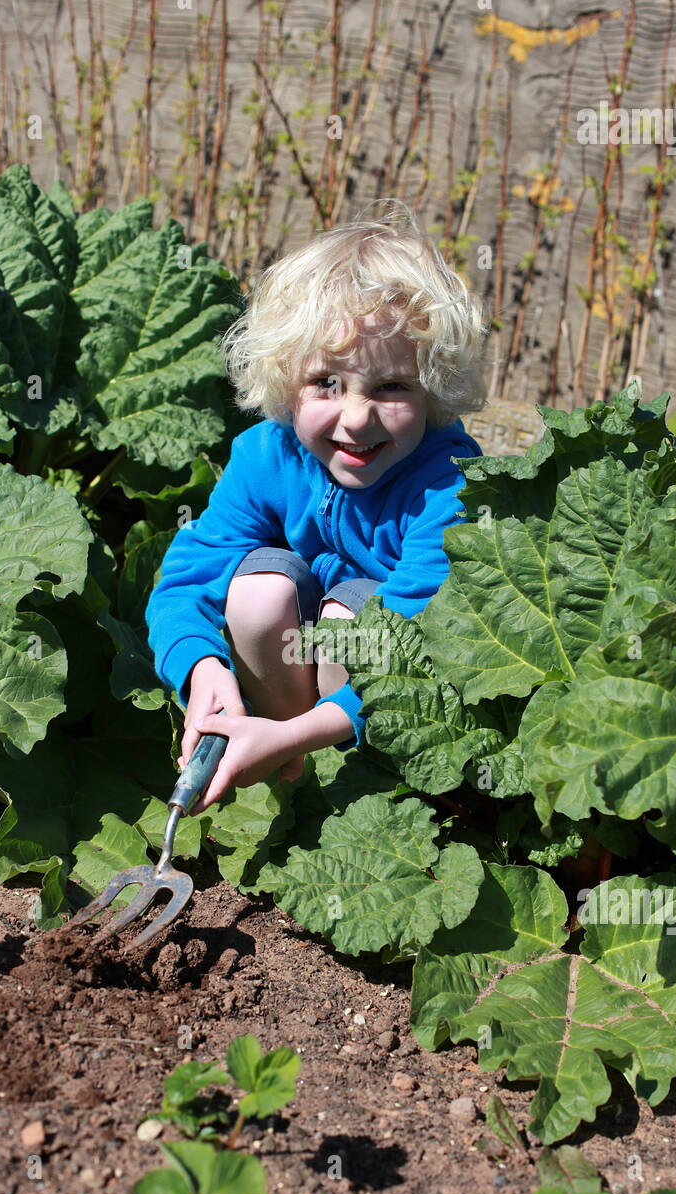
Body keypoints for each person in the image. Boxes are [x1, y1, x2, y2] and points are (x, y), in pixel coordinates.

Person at [145, 199, 487, 815]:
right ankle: (285, 776)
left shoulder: (448, 485)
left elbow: (421, 644)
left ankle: (359, 791)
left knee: (349, 623)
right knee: (256, 592)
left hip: (399, 709)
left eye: (390, 387)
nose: (356, 418)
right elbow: (184, 584)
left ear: (433, 386)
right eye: (326, 383)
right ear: (284, 380)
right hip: (287, 691)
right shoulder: (266, 456)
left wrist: (296, 730)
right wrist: (202, 672)